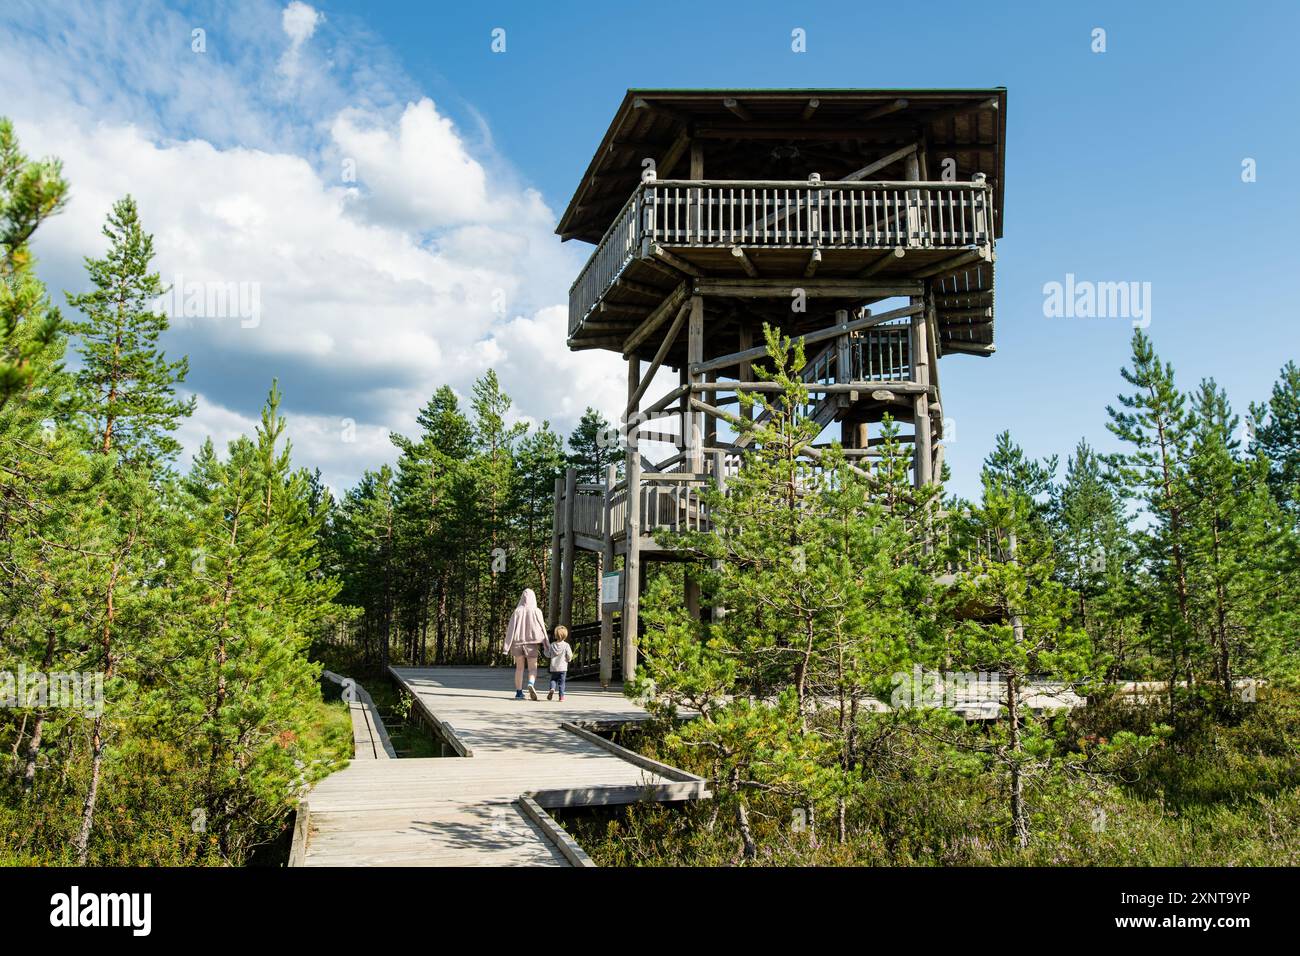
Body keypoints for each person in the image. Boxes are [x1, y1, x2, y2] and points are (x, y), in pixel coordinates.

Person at [503, 588, 547, 700]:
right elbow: (543, 628)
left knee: (519, 668)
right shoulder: (537, 611)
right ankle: (531, 684)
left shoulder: (517, 611)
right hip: (532, 644)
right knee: (533, 668)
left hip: (517, 643)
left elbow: (510, 630)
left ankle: (518, 693)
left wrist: (506, 648)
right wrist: (547, 644)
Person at [544, 626, 573, 701]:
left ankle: (552, 688)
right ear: (565, 635)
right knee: (562, 683)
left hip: (554, 667)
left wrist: (545, 650)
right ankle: (561, 697)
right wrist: (568, 659)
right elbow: (569, 655)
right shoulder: (566, 645)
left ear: (555, 635)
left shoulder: (552, 645)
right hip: (563, 668)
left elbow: (548, 655)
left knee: (553, 680)